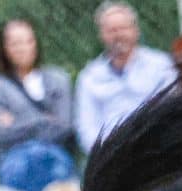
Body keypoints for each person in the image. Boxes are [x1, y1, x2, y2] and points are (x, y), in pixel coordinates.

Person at [0, 18, 77, 191]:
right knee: (33, 159)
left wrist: (19, 122)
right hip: (15, 160)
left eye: (28, 41)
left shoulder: (58, 79)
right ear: (4, 48)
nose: (23, 48)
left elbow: (65, 126)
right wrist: (44, 120)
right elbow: (0, 133)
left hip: (55, 155)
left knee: (44, 159)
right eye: (15, 43)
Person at [74, 2, 176, 154]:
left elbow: (171, 110)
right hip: (110, 157)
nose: (118, 35)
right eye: (111, 30)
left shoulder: (161, 66)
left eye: (123, 28)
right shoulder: (89, 77)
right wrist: (106, 153)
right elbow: (86, 129)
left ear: (136, 31)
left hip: (156, 150)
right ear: (101, 35)